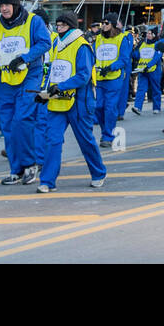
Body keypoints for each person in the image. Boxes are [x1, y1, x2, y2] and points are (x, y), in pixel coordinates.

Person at [0, 0, 51, 185]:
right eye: (1, 5)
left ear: (16, 6)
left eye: (7, 5)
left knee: (22, 119)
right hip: (6, 79)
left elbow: (45, 42)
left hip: (30, 75)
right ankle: (16, 169)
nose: (4, 8)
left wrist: (24, 58)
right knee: (7, 124)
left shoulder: (33, 21)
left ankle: (30, 164)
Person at [35, 10, 107, 192]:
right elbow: (52, 71)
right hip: (57, 102)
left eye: (63, 25)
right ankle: (47, 181)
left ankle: (98, 172)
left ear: (71, 26)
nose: (59, 28)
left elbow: (83, 75)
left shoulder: (82, 46)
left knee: (85, 140)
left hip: (79, 103)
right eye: (57, 25)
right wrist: (45, 92)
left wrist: (61, 86)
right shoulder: (56, 44)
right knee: (52, 141)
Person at [92, 15, 133, 147]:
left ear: (113, 24)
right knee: (98, 107)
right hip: (99, 78)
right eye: (102, 23)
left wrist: (110, 68)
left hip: (114, 78)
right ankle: (106, 131)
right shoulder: (98, 39)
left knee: (109, 108)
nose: (103, 25)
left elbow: (124, 59)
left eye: (106, 23)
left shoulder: (122, 39)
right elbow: (93, 55)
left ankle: (107, 136)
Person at [130, 26, 163, 116]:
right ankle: (137, 107)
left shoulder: (158, 44)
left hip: (154, 70)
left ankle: (156, 107)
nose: (147, 35)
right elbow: (137, 55)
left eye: (150, 33)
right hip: (142, 70)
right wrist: (133, 49)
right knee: (141, 88)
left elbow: (157, 57)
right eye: (147, 33)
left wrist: (148, 66)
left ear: (154, 35)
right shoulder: (142, 43)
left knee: (156, 89)